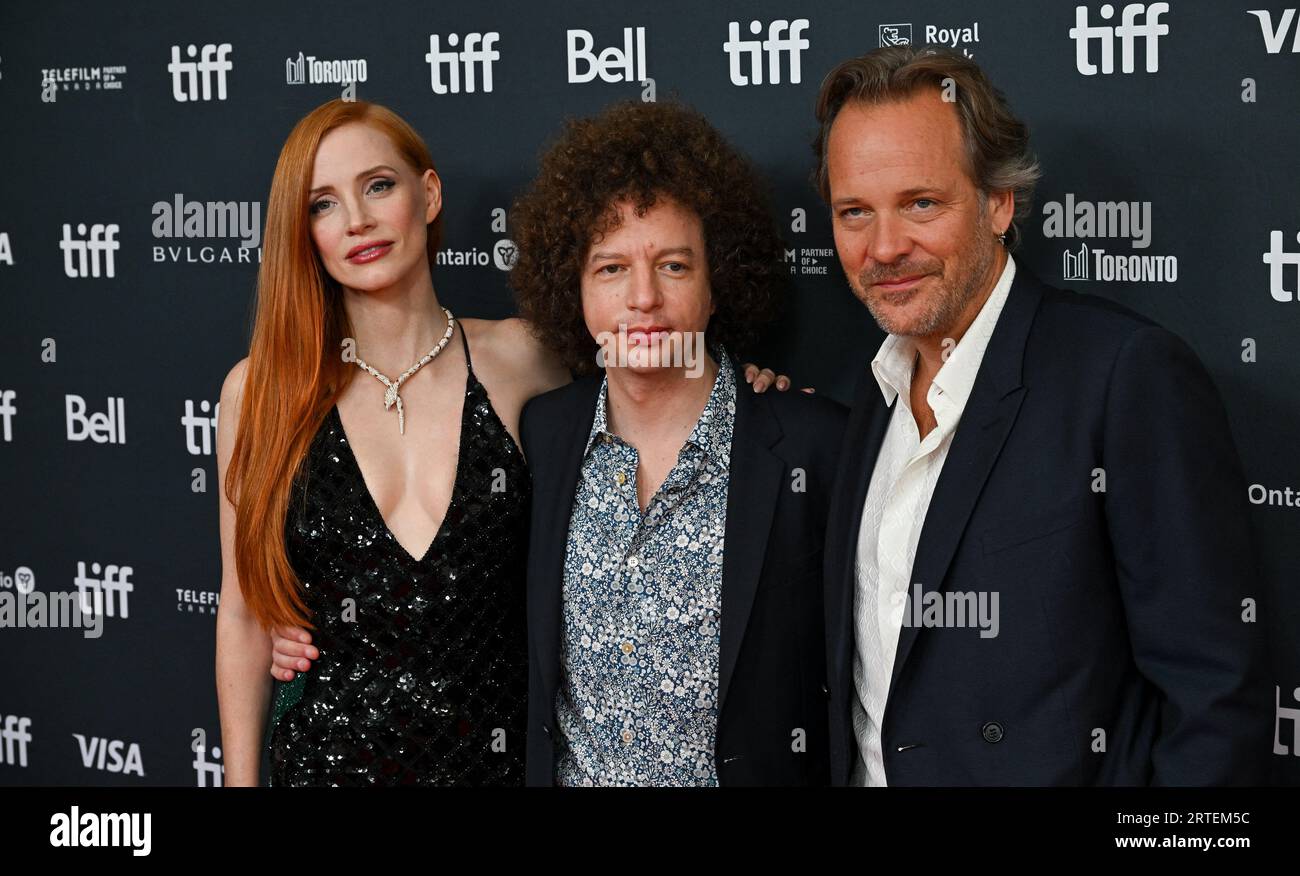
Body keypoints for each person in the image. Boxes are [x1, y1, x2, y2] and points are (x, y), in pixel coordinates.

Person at [230, 100, 792, 786]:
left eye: (378, 186)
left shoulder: (523, 358)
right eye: (322, 203)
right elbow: (241, 612)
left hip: (496, 764)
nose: (358, 220)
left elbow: (649, 384)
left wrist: (746, 391)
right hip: (327, 764)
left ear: (428, 194)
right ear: (302, 228)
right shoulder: (260, 391)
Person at [815, 45, 1273, 785]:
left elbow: (1215, 697)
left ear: (999, 201)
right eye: (854, 213)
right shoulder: (867, 399)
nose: (885, 247)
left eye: (921, 203)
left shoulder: (1124, 375)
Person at [512, 100, 847, 786]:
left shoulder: (812, 447)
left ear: (715, 281)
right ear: (572, 287)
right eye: (610, 269)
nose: (642, 299)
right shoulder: (542, 436)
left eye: (672, 266)